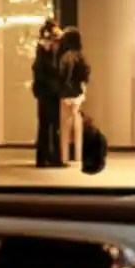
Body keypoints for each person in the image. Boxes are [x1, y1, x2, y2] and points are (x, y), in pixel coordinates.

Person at [32, 19, 64, 167]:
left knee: (47, 125)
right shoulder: (44, 50)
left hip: (47, 90)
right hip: (48, 91)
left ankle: (45, 157)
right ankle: (49, 158)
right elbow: (45, 70)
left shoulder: (44, 49)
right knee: (49, 125)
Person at [57, 26, 91, 165]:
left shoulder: (64, 58)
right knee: (77, 123)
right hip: (78, 93)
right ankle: (78, 156)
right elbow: (85, 75)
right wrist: (82, 92)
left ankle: (64, 156)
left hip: (66, 94)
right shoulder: (81, 57)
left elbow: (62, 77)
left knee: (65, 126)